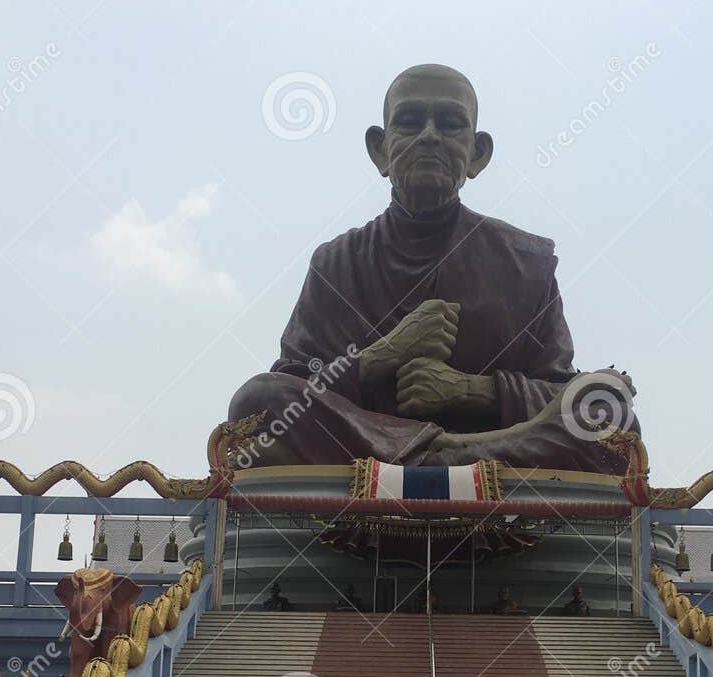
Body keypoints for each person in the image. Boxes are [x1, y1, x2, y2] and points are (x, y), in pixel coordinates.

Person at [228, 64, 637, 470]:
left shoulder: (526, 261)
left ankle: (438, 458)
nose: (429, 136)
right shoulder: (336, 262)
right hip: (426, 450)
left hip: (455, 452)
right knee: (257, 403)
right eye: (409, 122)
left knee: (608, 412)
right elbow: (295, 389)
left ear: (477, 154)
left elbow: (558, 393)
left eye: (449, 123)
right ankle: (447, 460)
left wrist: (472, 390)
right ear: (380, 148)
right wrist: (384, 354)